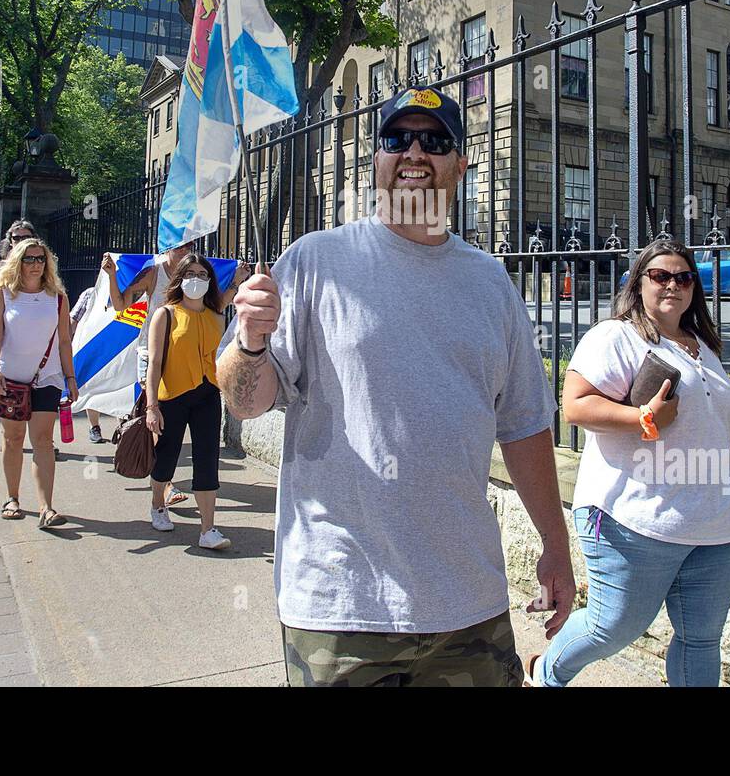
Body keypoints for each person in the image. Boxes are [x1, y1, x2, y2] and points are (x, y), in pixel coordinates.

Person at [218, 85, 574, 687]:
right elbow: (245, 402)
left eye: (435, 141)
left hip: (469, 607)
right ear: (376, 160)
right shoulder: (315, 261)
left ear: (461, 164)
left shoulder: (491, 284)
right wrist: (250, 341)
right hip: (341, 605)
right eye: (397, 139)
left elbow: (525, 427)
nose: (415, 152)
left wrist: (555, 546)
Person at [527, 239, 730, 688]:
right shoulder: (616, 336)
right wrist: (643, 418)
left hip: (715, 523)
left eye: (684, 277)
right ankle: (544, 673)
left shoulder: (701, 345)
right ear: (638, 283)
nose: (674, 285)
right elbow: (574, 406)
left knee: (702, 640)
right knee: (610, 628)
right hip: (634, 517)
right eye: (661, 276)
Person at [102, 244, 247, 505]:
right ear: (168, 247)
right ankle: (164, 485)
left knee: (185, 432)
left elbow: (216, 307)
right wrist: (112, 275)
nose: (184, 249)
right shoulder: (152, 274)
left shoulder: (200, 274)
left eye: (189, 245)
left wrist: (236, 283)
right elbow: (121, 304)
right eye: (179, 245)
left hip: (191, 362)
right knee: (159, 424)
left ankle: (165, 483)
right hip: (153, 355)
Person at [0, 237, 77, 529]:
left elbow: (64, 341)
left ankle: (46, 507)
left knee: (43, 441)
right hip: (9, 377)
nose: (36, 264)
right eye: (29, 259)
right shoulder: (2, 294)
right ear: (17, 262)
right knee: (13, 440)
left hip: (46, 378)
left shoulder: (57, 297)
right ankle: (12, 498)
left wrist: (70, 377)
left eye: (40, 259)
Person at [144, 253, 231, 547]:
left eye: (202, 274)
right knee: (167, 457)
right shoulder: (165, 314)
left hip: (207, 395)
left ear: (210, 281)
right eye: (190, 274)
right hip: (172, 396)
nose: (197, 280)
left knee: (207, 458)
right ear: (180, 279)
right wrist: (152, 406)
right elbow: (154, 364)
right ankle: (158, 503)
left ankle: (208, 529)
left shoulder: (217, 317)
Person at [69, 285, 107, 443]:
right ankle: (94, 427)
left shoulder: (127, 292)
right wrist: (68, 344)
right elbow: (74, 318)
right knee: (93, 388)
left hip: (114, 347)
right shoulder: (90, 293)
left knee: (120, 384)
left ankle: (123, 425)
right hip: (92, 347)